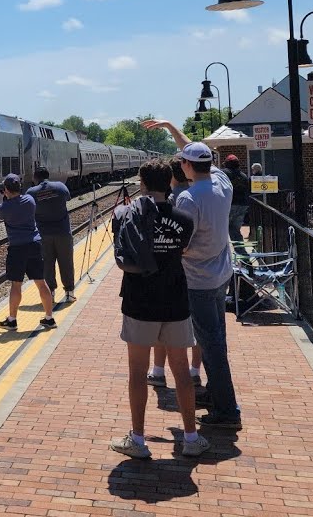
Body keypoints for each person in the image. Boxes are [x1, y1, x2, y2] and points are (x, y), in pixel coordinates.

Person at [143, 119, 241, 429]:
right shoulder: (222, 182)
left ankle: (227, 412)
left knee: (210, 344)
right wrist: (172, 127)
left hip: (197, 279)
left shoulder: (187, 199)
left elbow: (180, 242)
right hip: (221, 274)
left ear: (186, 166)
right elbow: (194, 152)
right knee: (217, 340)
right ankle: (215, 394)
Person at [110, 160, 209, 460]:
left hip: (139, 301)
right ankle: (191, 437)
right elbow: (184, 250)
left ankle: (137, 440)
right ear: (170, 183)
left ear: (141, 183)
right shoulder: (184, 219)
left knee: (137, 373)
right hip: (175, 300)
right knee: (182, 371)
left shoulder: (125, 215)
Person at [146, 158, 202, 390]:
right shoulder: (197, 194)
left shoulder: (175, 199)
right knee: (197, 326)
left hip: (175, 272)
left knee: (163, 323)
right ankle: (195, 371)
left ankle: (159, 371)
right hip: (200, 271)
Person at [0, 173, 56, 330]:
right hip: (34, 244)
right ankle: (49, 318)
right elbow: (19, 202)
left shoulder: (4, 207)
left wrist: (0, 196)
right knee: (41, 282)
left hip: (17, 248)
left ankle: (12, 320)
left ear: (6, 189)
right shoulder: (30, 200)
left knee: (16, 284)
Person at [27, 166, 77, 304]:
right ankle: (69, 293)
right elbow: (68, 197)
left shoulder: (31, 192)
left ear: (35, 178)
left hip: (43, 235)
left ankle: (50, 293)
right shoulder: (60, 186)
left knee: (47, 265)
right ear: (48, 175)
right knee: (66, 262)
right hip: (63, 233)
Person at [222, 155, 252, 251]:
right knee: (235, 231)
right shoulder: (243, 176)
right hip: (242, 206)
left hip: (229, 205)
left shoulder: (224, 174)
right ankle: (244, 258)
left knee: (220, 231)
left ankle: (222, 259)